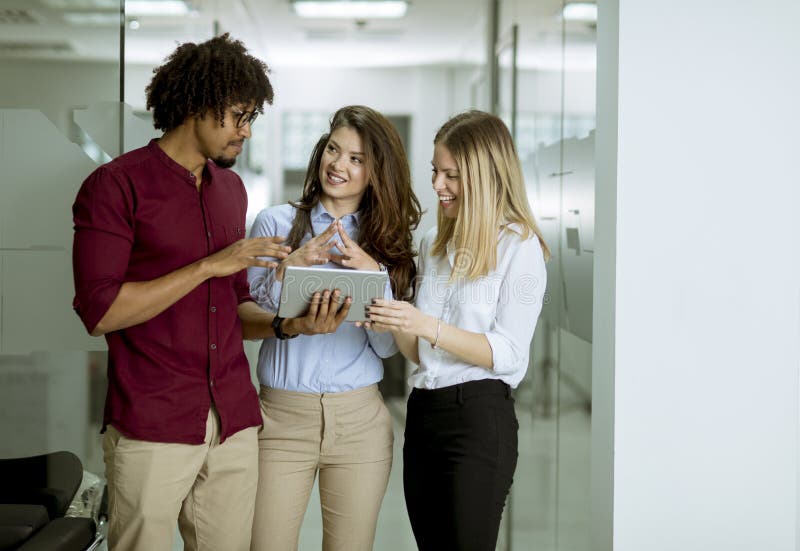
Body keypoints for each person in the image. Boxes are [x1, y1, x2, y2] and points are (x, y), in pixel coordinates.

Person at [71, 34, 348, 551]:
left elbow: (235, 307)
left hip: (234, 423)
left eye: (252, 119)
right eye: (237, 116)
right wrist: (209, 266)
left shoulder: (231, 190)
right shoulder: (115, 185)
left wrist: (291, 324)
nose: (245, 132)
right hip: (153, 421)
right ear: (197, 105)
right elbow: (100, 311)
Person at [363, 110, 550, 551]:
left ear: (485, 176)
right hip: (424, 416)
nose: (437, 185)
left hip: (479, 420)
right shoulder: (434, 243)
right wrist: (389, 316)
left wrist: (427, 324)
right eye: (435, 171)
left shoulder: (519, 246)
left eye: (452, 175)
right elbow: (422, 352)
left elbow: (508, 353)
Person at [247, 105, 422, 551]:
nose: (338, 165)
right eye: (332, 150)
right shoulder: (276, 223)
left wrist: (375, 276)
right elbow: (250, 315)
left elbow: (386, 350)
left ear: (375, 172)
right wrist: (291, 265)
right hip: (280, 419)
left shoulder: (387, 240)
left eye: (356, 158)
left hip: (360, 421)